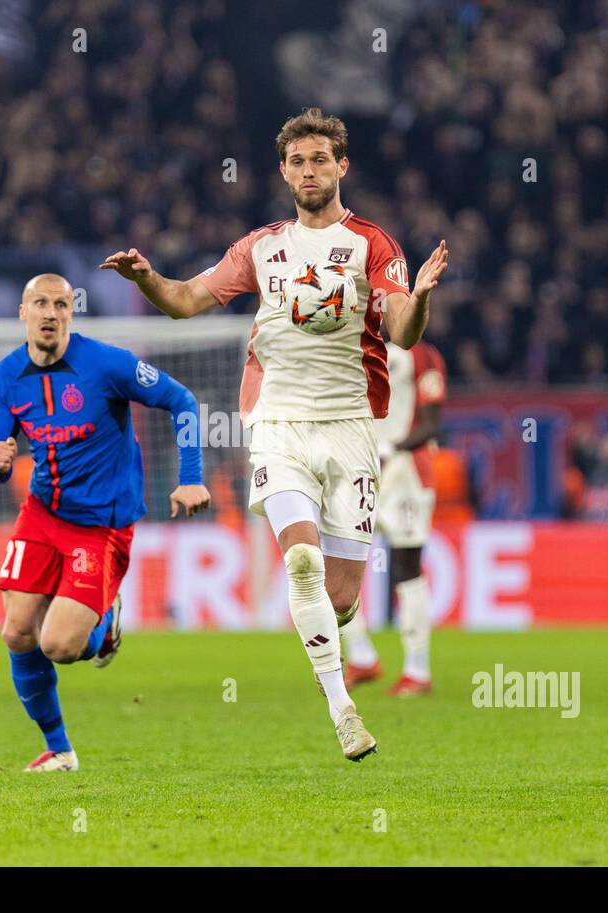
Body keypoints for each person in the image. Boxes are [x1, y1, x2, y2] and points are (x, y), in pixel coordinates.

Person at [100, 107, 448, 761]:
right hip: (278, 423)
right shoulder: (260, 247)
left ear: (342, 166)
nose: (309, 171)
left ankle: (334, 639)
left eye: (320, 159)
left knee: (341, 600)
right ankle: (343, 710)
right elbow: (184, 300)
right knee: (300, 560)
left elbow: (401, 329)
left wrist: (422, 296)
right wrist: (146, 277)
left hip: (351, 427)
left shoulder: (374, 245)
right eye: (297, 161)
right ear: (283, 171)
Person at [0, 274, 209, 771]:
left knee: (59, 646)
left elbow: (182, 401)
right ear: (23, 312)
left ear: (71, 313)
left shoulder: (107, 364)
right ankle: (60, 749)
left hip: (102, 525)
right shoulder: (3, 376)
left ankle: (105, 627)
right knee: (17, 633)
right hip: (41, 514)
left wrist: (190, 477)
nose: (50, 313)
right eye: (40, 303)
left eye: (60, 304)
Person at [340, 337, 448, 696]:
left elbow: (433, 424)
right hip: (360, 472)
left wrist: (392, 448)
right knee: (334, 562)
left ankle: (418, 671)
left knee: (407, 568)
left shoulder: (424, 356)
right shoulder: (356, 342)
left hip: (407, 475)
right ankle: (362, 656)